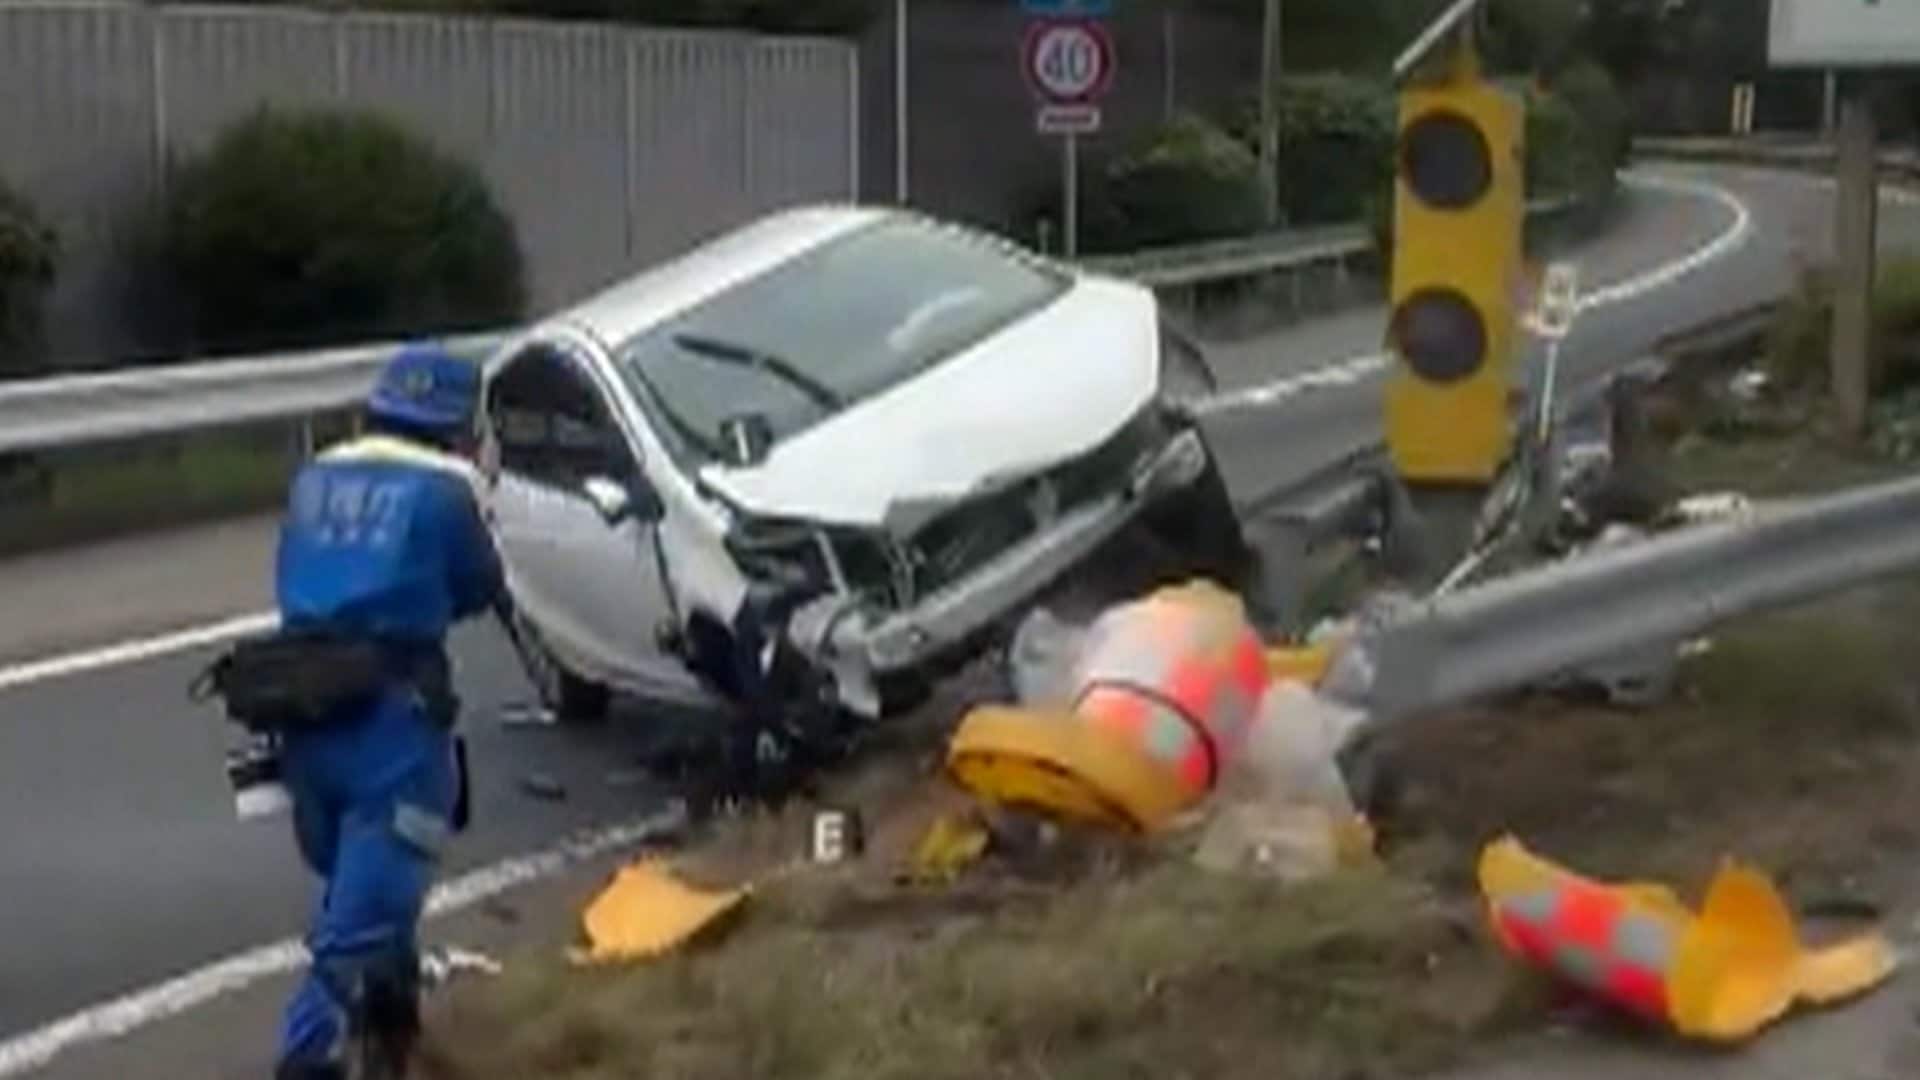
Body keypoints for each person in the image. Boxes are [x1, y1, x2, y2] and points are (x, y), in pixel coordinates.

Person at [271, 343, 507, 1079]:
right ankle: (305, 1059)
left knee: (363, 900)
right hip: (393, 730)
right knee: (358, 931)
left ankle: (397, 1044)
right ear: (460, 426)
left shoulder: (315, 477)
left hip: (301, 714)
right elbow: (477, 587)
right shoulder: (447, 492)